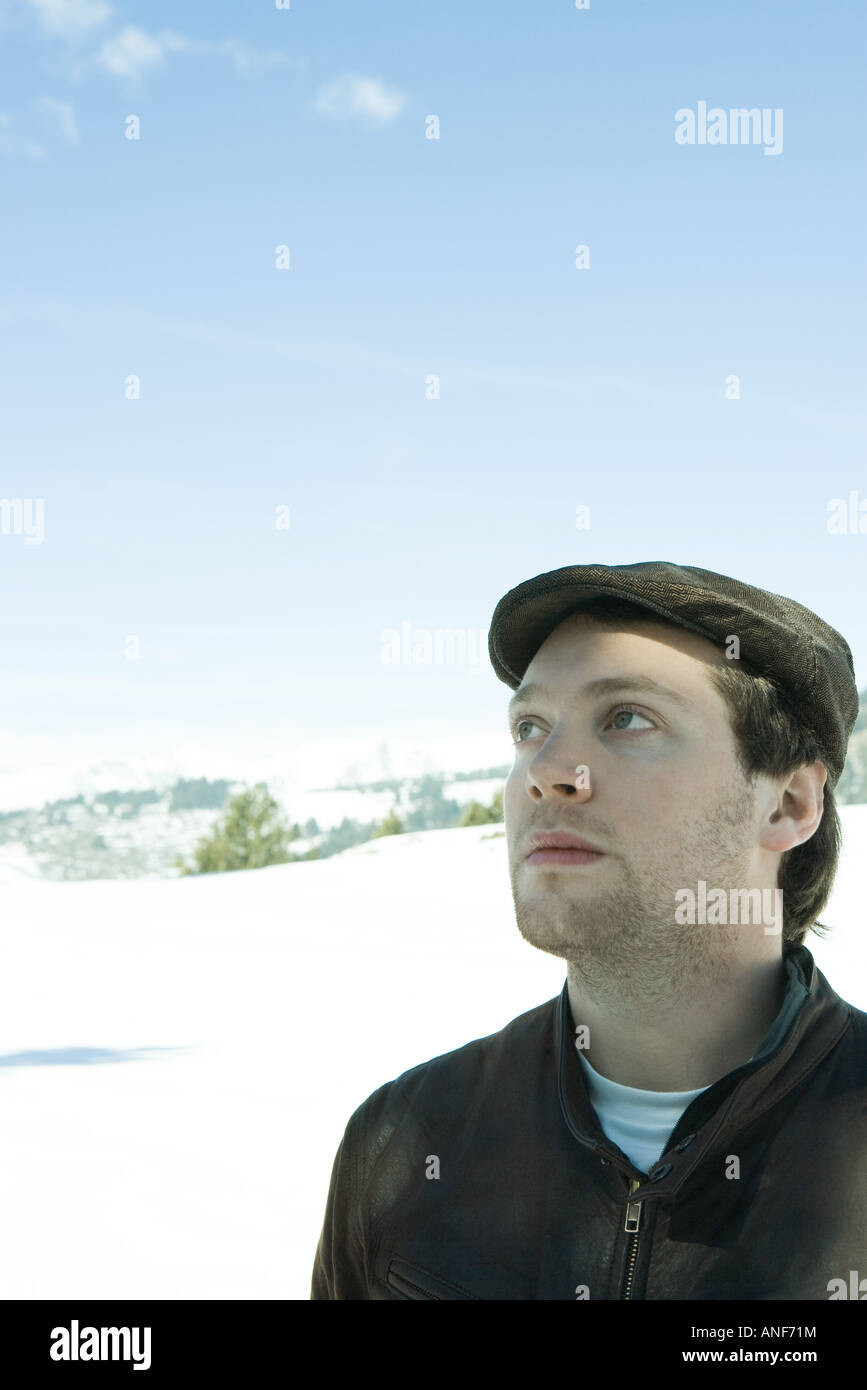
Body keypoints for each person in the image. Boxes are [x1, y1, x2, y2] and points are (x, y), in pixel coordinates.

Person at [310, 561, 867, 1300]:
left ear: (788, 803)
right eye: (528, 727)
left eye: (626, 718)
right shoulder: (402, 1138)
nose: (545, 772)